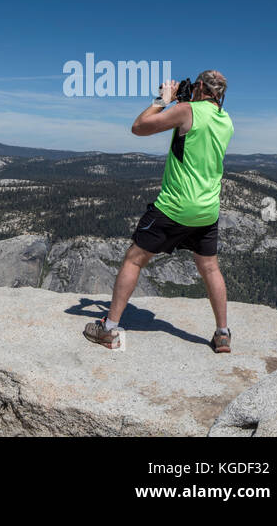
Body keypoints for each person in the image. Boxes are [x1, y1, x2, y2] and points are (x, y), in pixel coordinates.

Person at [83, 70, 234, 352]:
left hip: (175, 206)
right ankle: (222, 333)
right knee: (210, 266)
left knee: (134, 259)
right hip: (207, 209)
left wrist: (162, 99)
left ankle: (109, 328)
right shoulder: (226, 121)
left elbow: (139, 127)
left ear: (199, 87)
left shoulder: (186, 110)